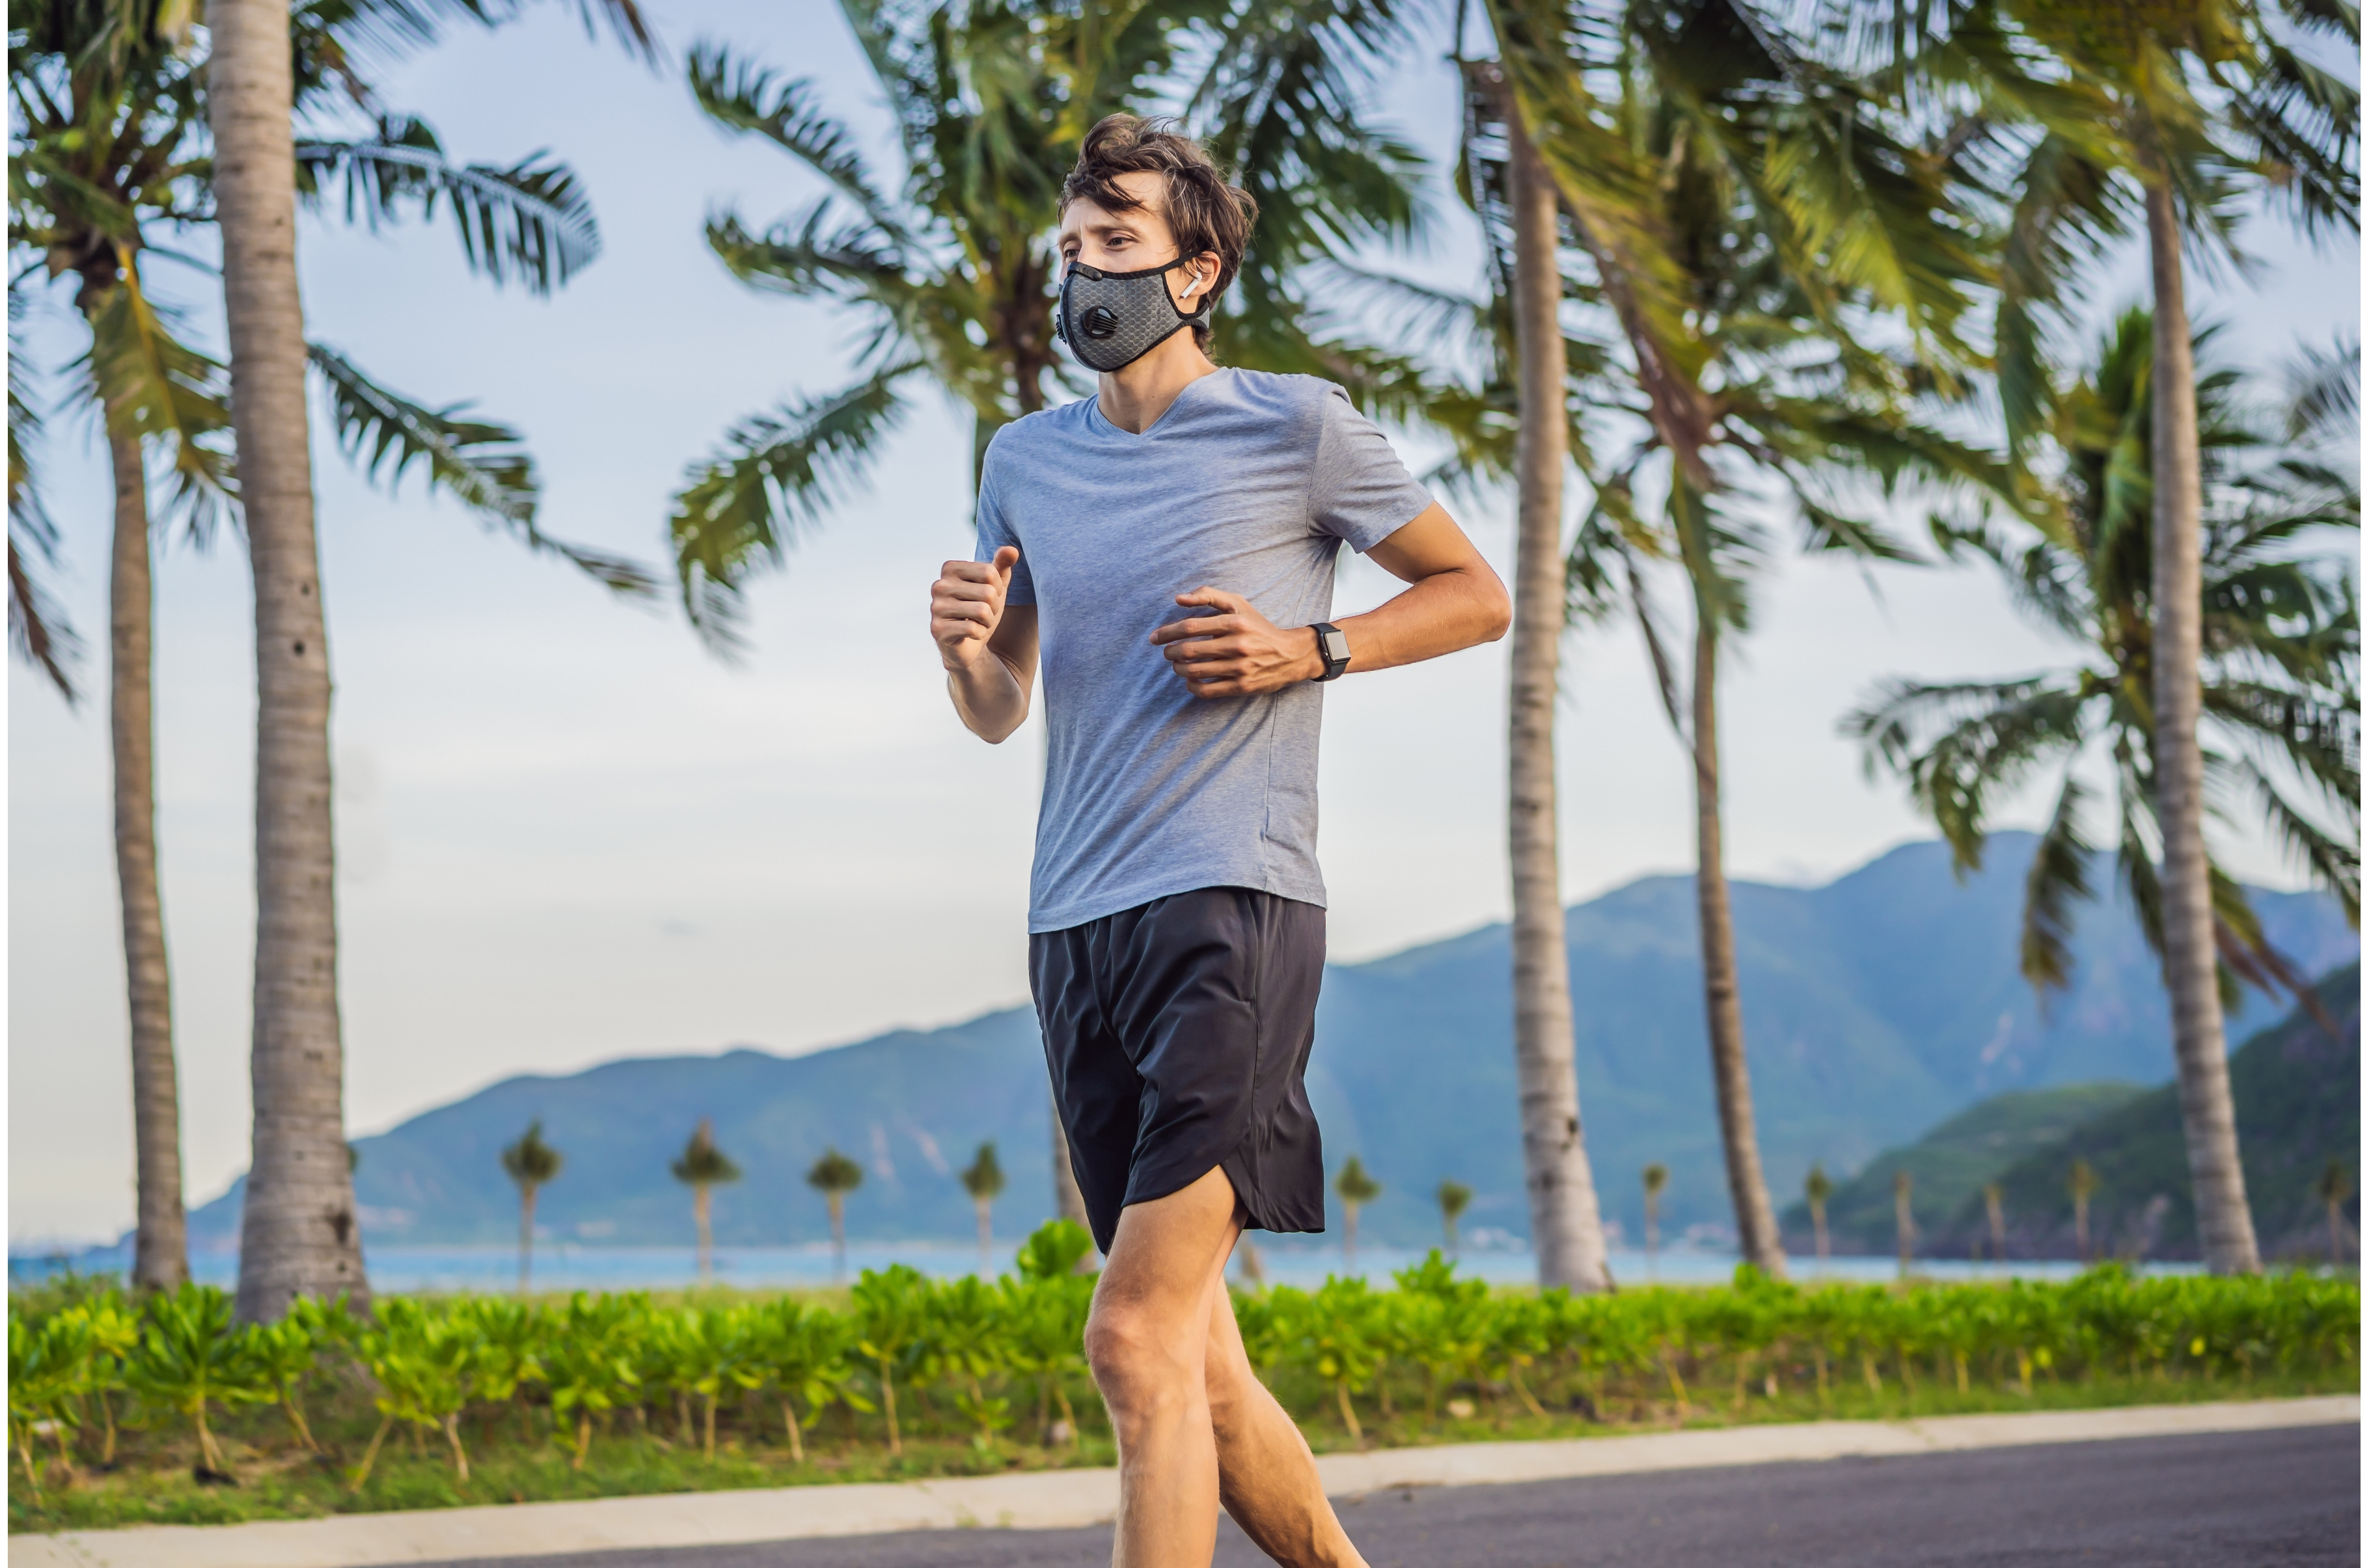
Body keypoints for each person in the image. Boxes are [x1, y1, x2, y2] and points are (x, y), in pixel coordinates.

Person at [927, 115, 1510, 1568]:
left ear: (1196, 270)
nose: (1083, 278)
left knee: (1129, 1335)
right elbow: (1004, 708)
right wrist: (959, 657)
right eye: (1070, 251)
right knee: (1196, 1362)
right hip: (1073, 924)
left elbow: (1471, 592)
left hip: (1227, 908)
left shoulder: (1294, 423)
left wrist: (1303, 647)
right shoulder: (1021, 458)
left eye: (1115, 246)